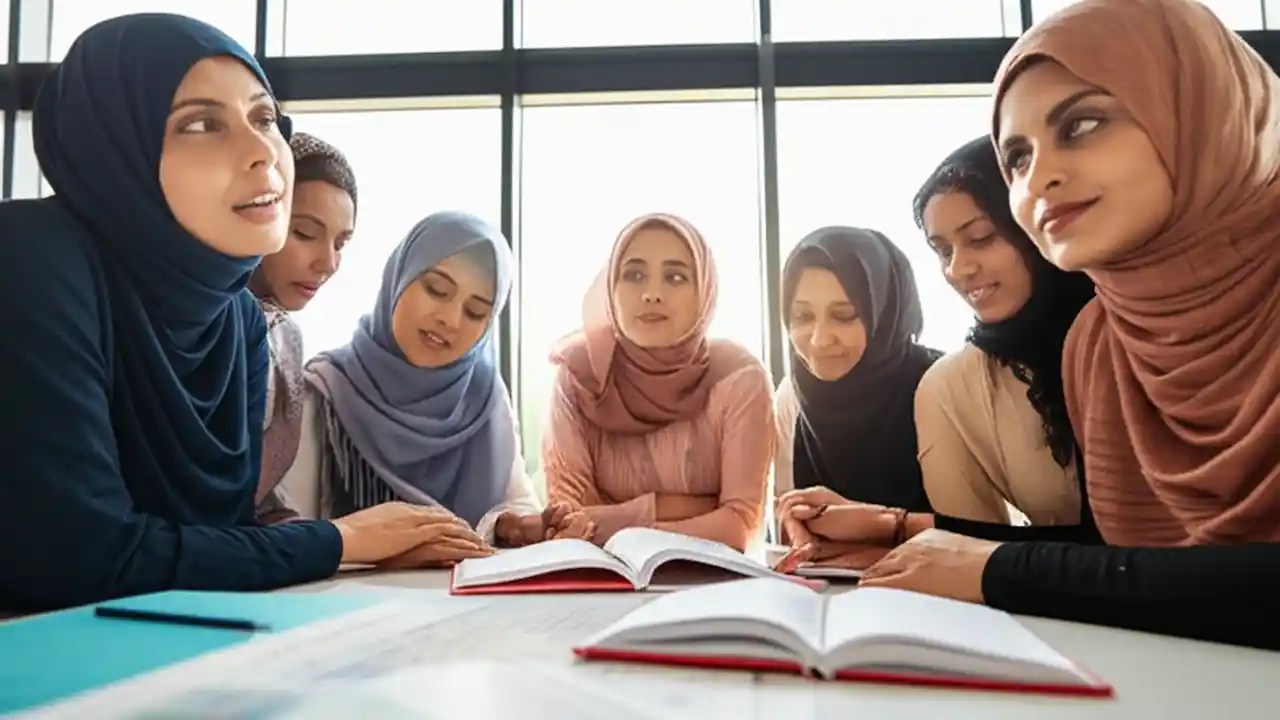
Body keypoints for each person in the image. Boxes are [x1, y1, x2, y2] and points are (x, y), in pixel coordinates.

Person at [0, 14, 480, 609]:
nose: (263, 153)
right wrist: (338, 541)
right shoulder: (30, 261)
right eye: (202, 124)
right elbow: (78, 556)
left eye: (264, 118)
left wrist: (357, 547)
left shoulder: (240, 323)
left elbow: (214, 543)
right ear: (115, 146)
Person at [857, 0, 1280, 651]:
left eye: (1082, 123)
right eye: (1018, 158)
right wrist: (903, 531)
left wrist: (998, 569)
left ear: (1202, 108)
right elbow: (1127, 560)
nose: (1040, 178)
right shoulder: (1104, 345)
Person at [777, 139, 1103, 571]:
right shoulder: (960, 383)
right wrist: (882, 532)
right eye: (943, 251)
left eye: (982, 238)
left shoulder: (1123, 336)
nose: (957, 269)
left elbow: (1146, 547)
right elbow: (966, 555)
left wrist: (894, 530)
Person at [283, 211, 576, 556]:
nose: (449, 320)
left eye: (475, 312)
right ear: (399, 277)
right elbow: (290, 536)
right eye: (437, 290)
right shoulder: (324, 390)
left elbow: (514, 502)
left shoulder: (482, 395)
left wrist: (514, 526)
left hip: (466, 602)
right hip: (349, 605)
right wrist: (396, 556)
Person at [542, 213, 774, 551]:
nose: (652, 293)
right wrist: (698, 508)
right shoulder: (579, 376)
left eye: (676, 277)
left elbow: (739, 528)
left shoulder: (739, 377)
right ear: (611, 287)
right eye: (634, 275)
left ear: (704, 291)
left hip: (712, 587)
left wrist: (616, 516)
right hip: (599, 584)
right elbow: (571, 520)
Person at [772, 227, 941, 561]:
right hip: (831, 594)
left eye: (844, 315)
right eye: (803, 316)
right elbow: (784, 518)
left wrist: (876, 524)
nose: (820, 340)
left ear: (884, 312)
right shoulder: (793, 395)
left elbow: (985, 533)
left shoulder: (938, 386)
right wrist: (796, 525)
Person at [249, 132, 357, 524]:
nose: (326, 262)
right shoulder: (208, 325)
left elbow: (257, 502)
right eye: (306, 234)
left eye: (341, 243)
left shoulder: (283, 335)